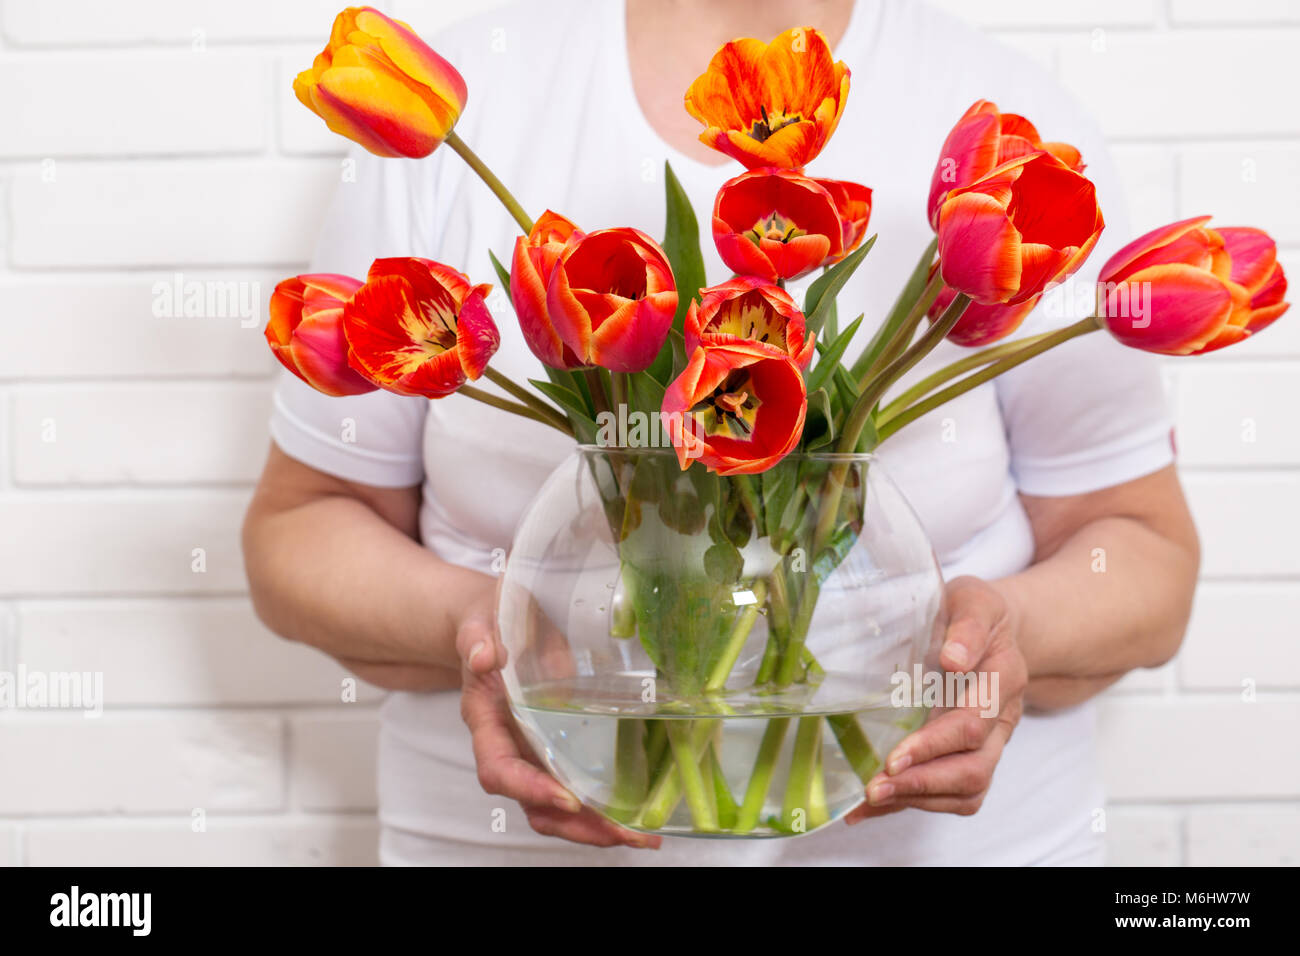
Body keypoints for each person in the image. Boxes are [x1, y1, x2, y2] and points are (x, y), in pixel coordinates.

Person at [243, 0, 1199, 865]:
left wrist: (1008, 635)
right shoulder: (489, 89)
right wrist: (487, 631)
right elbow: (300, 532)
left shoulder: (1005, 126)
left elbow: (1146, 558)